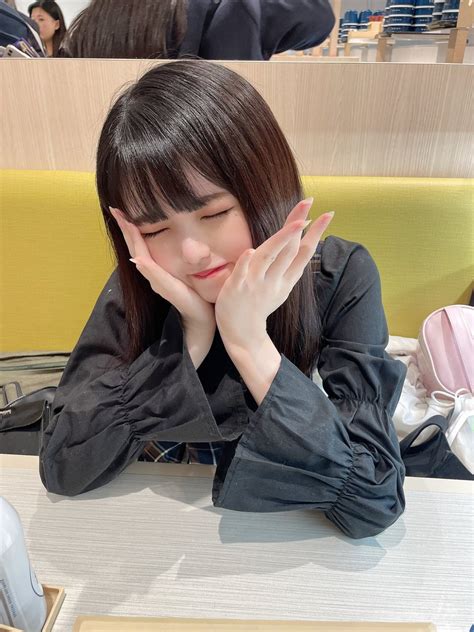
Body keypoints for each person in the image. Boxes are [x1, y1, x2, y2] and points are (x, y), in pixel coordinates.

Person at [40, 61, 407, 540]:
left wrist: (249, 342)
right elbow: (63, 464)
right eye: (156, 229)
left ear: (266, 186)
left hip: (276, 546)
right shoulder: (146, 282)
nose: (191, 253)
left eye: (214, 213)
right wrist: (191, 340)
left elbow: (372, 500)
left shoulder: (338, 275)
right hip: (156, 533)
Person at [59, 0, 335, 60]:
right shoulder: (231, 9)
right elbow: (317, 18)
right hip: (219, 164)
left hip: (123, 177)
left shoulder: (94, 22)